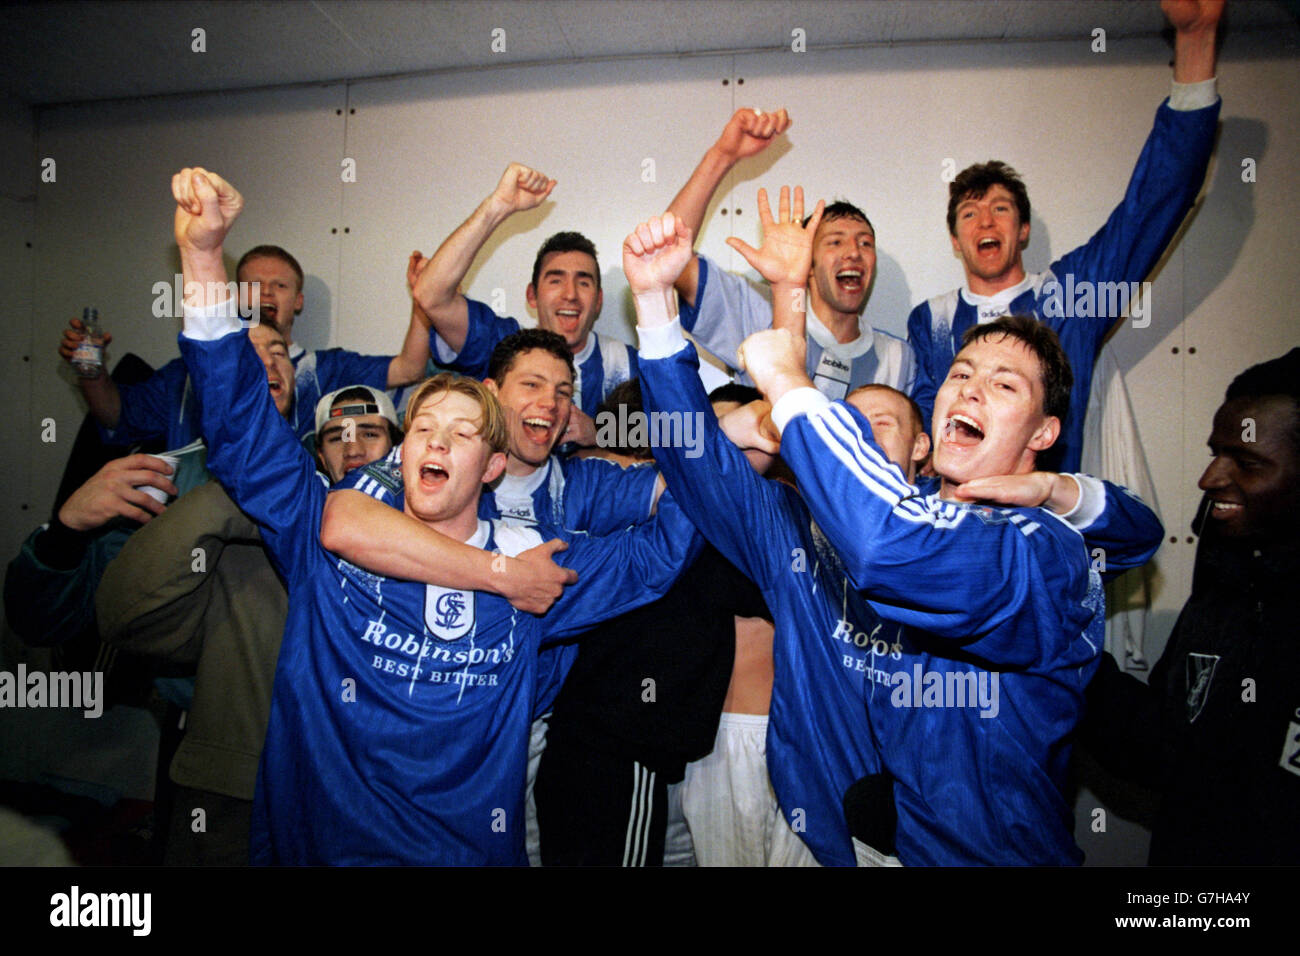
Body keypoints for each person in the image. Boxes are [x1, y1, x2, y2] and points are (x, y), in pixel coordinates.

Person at [168, 165, 701, 864]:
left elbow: (669, 544)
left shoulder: (539, 569)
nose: (439, 440)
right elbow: (237, 426)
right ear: (398, 449)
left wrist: (664, 332)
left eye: (463, 432)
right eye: (423, 428)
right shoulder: (324, 534)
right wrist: (204, 255)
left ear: (494, 465)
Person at [624, 206, 1164, 865]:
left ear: (920, 448)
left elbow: (897, 547)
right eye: (960, 375)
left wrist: (793, 384)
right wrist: (654, 306)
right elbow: (700, 467)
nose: (970, 389)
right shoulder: (808, 537)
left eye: (1003, 384)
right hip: (845, 842)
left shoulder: (1037, 548)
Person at [907, 0, 1223, 472]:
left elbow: (1150, 208)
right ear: (955, 240)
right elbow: (928, 416)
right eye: (970, 214)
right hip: (962, 523)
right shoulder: (930, 319)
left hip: (1052, 519)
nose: (987, 223)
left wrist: (1195, 46)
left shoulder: (1069, 294)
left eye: (1001, 209)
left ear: (1024, 229)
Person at [1081, 347, 1300, 865]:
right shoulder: (1229, 586)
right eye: (1215, 452)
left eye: (1246, 462)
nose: (1209, 479)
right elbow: (1164, 747)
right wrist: (1066, 657)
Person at [59, 245, 434, 447]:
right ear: (235, 297)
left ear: (299, 301)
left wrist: (424, 301)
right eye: (254, 284)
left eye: (280, 285)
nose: (266, 292)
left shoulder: (326, 370)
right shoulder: (193, 373)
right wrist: (90, 372)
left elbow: (409, 369)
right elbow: (116, 416)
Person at [666, 109, 914, 398]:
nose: (854, 253)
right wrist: (723, 156)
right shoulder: (760, 313)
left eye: (865, 243)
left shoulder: (898, 357)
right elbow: (671, 255)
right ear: (807, 263)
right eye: (835, 242)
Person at [411, 163, 638, 443]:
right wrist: (498, 207)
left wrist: (599, 432)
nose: (570, 294)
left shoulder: (624, 363)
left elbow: (677, 433)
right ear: (532, 295)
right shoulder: (504, 345)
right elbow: (431, 295)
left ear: (599, 301)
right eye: (555, 280)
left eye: (583, 282)